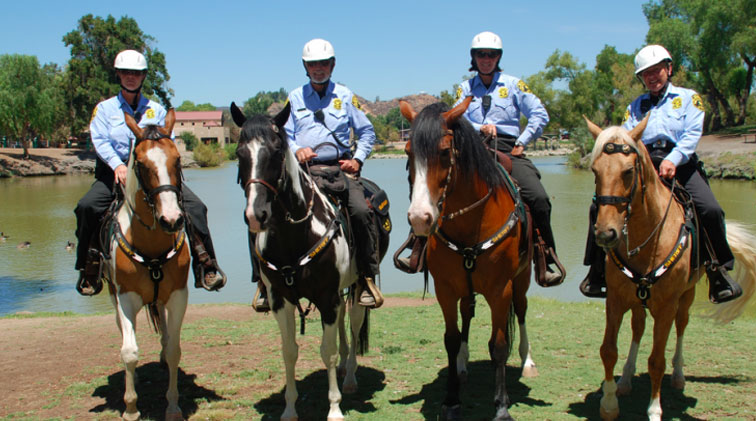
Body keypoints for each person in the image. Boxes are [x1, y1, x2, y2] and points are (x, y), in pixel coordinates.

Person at [579, 44, 742, 303]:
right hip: (644, 165)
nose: (652, 76)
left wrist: (673, 159)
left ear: (669, 69)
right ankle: (597, 271)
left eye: (657, 70)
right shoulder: (635, 106)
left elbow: (692, 134)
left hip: (681, 164)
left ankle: (717, 271)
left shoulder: (689, 98)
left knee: (710, 209)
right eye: (646, 73)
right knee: (598, 206)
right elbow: (628, 139)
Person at [402, 31, 565, 285]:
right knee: (431, 181)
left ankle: (544, 255)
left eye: (491, 55)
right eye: (481, 55)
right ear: (474, 58)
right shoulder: (465, 88)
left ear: (498, 57)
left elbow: (539, 114)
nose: (486, 59)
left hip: (508, 149)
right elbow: (455, 117)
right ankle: (419, 244)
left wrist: (522, 141)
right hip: (471, 149)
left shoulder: (514, 85)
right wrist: (480, 128)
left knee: (539, 198)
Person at [74, 49, 226, 296]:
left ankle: (206, 265)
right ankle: (88, 268)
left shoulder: (156, 110)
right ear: (118, 75)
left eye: (136, 73)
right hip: (115, 173)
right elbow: (100, 140)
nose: (130, 77)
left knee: (197, 208)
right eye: (126, 72)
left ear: (143, 76)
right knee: (87, 207)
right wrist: (117, 165)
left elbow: (168, 142)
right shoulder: (104, 109)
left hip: (154, 175)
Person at [252, 38, 384, 310]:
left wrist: (357, 159)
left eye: (324, 63)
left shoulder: (345, 96)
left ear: (332, 65)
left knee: (361, 211)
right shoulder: (295, 98)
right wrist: (297, 149)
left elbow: (367, 132)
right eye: (313, 64)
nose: (318, 68)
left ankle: (366, 277)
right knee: (261, 211)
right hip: (303, 171)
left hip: (339, 169)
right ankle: (263, 282)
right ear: (305, 67)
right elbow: (284, 134)